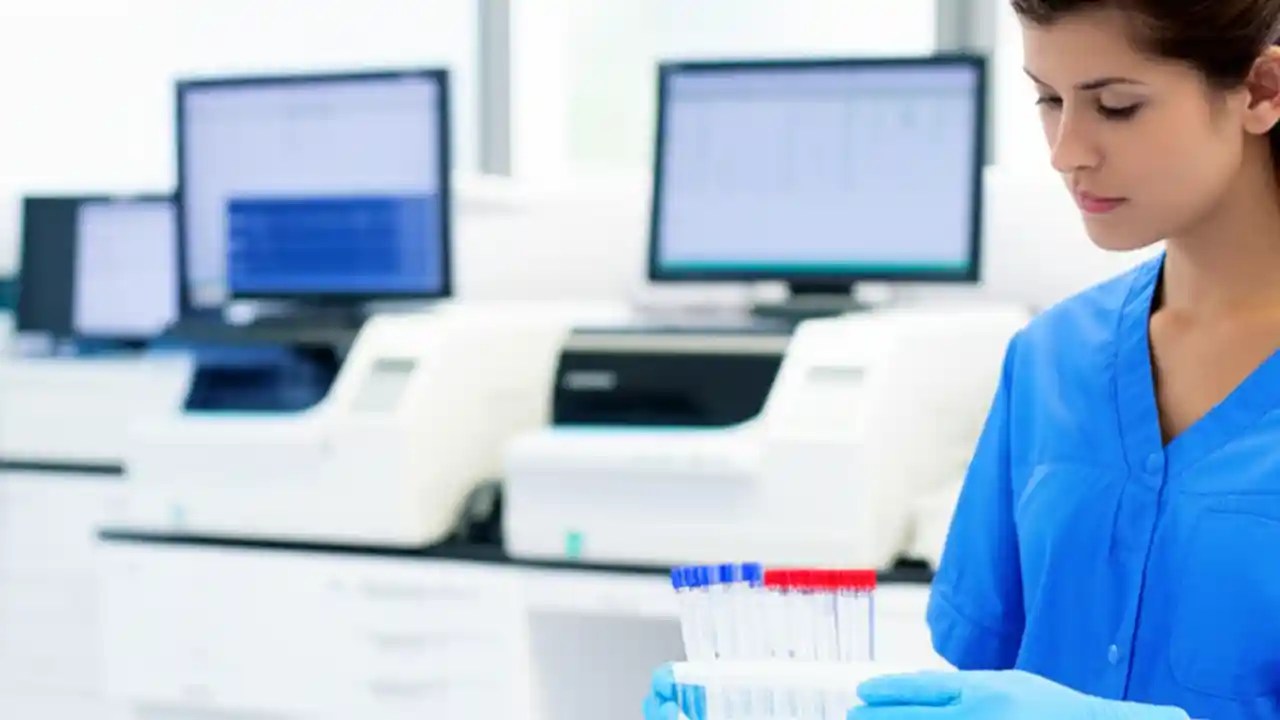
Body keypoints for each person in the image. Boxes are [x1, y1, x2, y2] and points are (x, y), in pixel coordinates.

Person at [644, 1, 1280, 719]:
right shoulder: (1052, 361)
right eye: (1049, 99)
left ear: (1261, 91)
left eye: (1117, 106)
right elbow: (981, 684)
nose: (1067, 150)